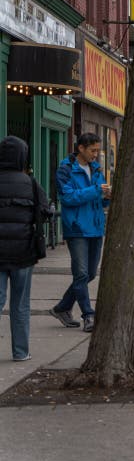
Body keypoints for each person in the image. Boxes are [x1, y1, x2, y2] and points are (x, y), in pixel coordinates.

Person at [49, 133, 110, 333]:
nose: (95, 154)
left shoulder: (97, 169)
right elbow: (67, 198)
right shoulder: (66, 169)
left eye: (97, 151)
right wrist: (96, 191)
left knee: (89, 273)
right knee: (81, 273)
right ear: (81, 148)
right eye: (92, 150)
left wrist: (107, 197)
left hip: (95, 227)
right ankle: (88, 315)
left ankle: (62, 308)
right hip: (76, 229)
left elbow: (100, 200)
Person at [0, 136, 51, 361]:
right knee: (20, 304)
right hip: (23, 252)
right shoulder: (30, 183)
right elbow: (45, 211)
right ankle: (20, 352)